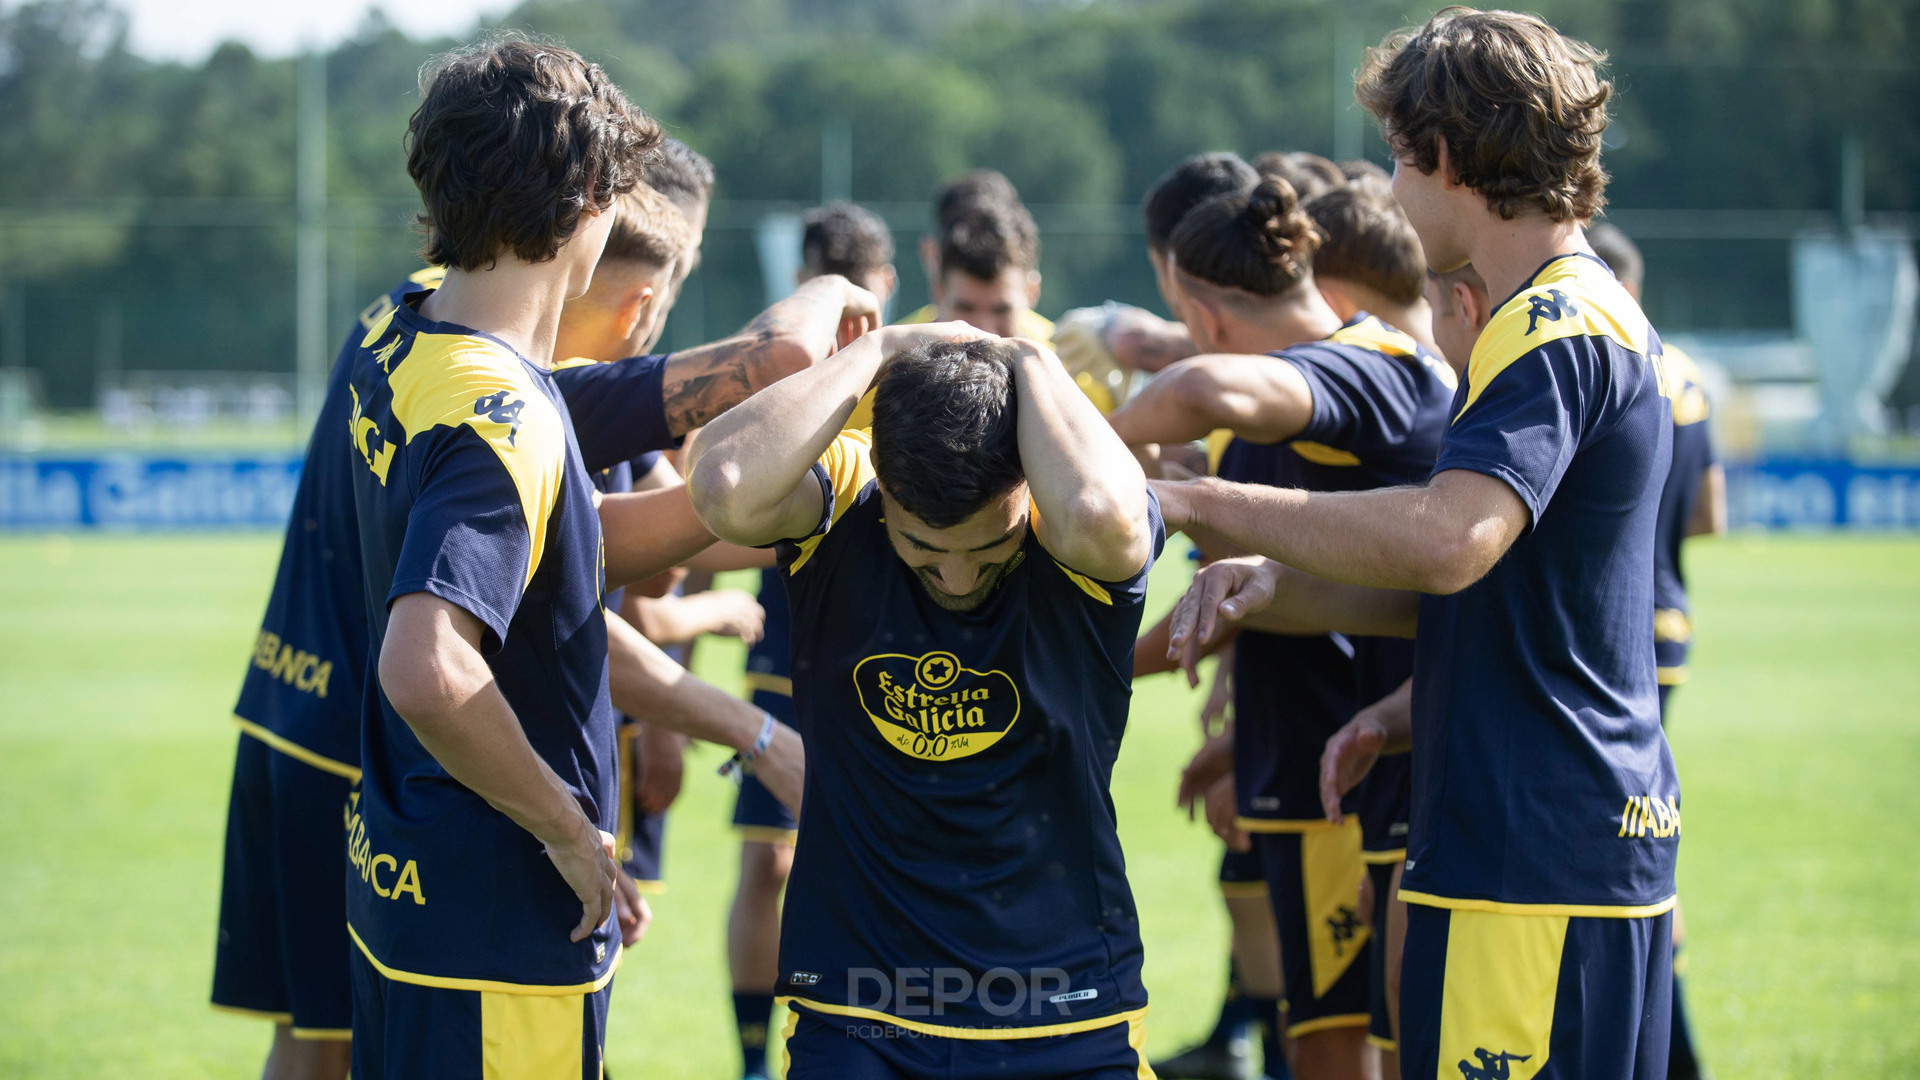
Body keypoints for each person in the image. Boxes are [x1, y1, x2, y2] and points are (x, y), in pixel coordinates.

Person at [1163, 9, 1682, 1077]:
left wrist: (1201, 502)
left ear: (1445, 156)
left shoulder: (1548, 328)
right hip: (1558, 840)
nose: (1394, 193)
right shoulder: (1577, 312)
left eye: (1399, 159)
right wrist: (1286, 585)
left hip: (1529, 849)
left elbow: (1450, 541)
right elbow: (1493, 587)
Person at [687, 322, 1161, 1078]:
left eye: (990, 547)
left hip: (1066, 1004)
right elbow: (724, 484)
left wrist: (1024, 355)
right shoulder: (848, 500)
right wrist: (880, 349)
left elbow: (1106, 513)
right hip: (858, 1010)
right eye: (922, 549)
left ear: (1029, 487)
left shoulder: (1075, 532)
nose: (958, 578)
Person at [1108, 175, 1455, 1080]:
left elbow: (1203, 385)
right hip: (1345, 740)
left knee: (1355, 1040)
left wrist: (1091, 446)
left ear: (1202, 311)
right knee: (1341, 1031)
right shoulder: (1332, 376)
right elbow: (1269, 588)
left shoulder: (1373, 363)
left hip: (1376, 749)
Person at [706, 197, 903, 1080]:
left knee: (884, 859)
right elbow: (708, 525)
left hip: (883, 657)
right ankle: (755, 1059)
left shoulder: (911, 381)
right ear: (803, 287)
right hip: (784, 656)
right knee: (771, 862)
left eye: (867, 289)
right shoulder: (775, 389)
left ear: (889, 284)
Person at [1588, 222, 1725, 1080]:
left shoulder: (1596, 360)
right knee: (1636, 822)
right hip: (1668, 623)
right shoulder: (1688, 376)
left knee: (1620, 836)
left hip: (1604, 629)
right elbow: (1710, 513)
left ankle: (1665, 1046)